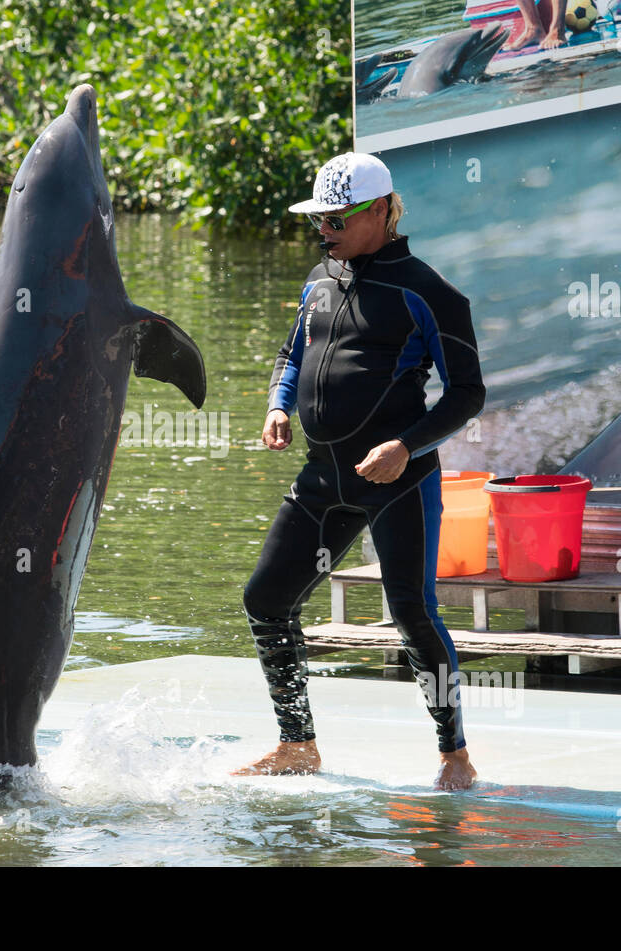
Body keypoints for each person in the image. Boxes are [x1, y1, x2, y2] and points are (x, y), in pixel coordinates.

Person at [234, 152, 485, 790]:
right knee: (265, 600)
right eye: (318, 218)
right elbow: (294, 352)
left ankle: (454, 754)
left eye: (337, 218)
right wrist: (277, 405)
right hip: (326, 478)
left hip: (397, 481)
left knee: (411, 613)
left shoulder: (429, 292)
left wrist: (406, 445)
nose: (324, 229)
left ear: (380, 211)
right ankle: (298, 744)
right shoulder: (319, 279)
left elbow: (466, 395)